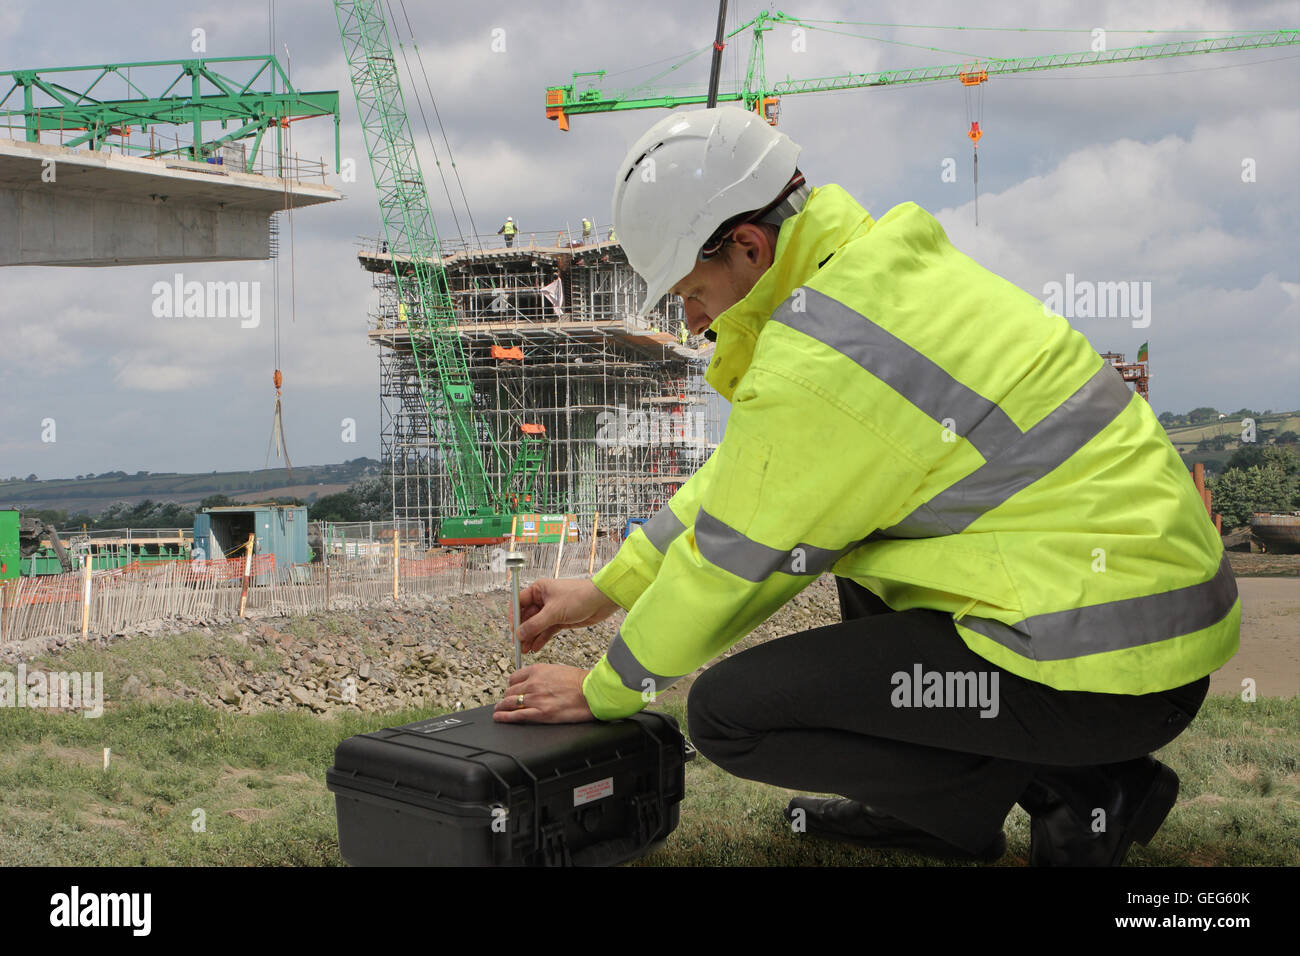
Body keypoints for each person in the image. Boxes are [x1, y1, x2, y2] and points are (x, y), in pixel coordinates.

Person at [493, 106, 1239, 867]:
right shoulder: (873, 265)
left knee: (730, 718)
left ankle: (1074, 794)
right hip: (1149, 626)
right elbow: (753, 475)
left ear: (749, 246)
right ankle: (980, 803)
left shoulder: (821, 359)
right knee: (866, 574)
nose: (691, 321)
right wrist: (608, 589)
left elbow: (727, 566)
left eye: (690, 290)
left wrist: (605, 689)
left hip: (1113, 669)